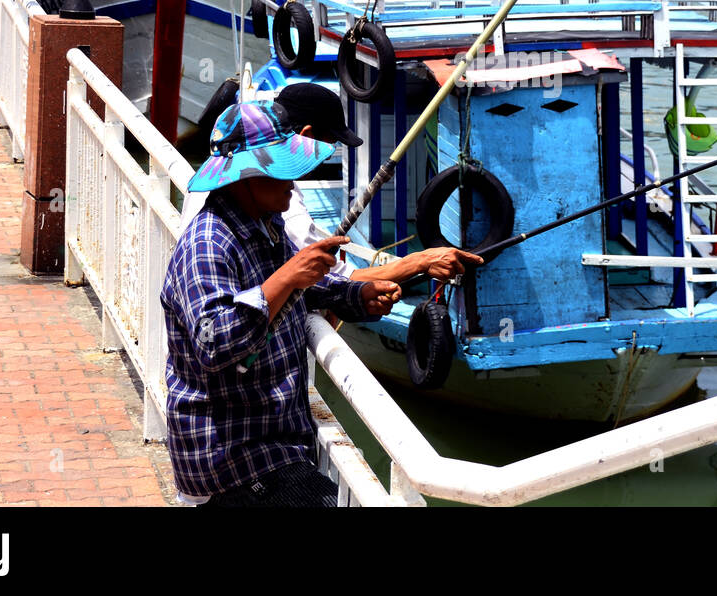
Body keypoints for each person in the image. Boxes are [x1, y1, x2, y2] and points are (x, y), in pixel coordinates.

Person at [162, 89, 480, 507]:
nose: (293, 184)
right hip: (231, 456)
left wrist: (360, 296)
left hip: (275, 443)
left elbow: (312, 287)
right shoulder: (208, 244)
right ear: (244, 177)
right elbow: (214, 344)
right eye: (280, 172)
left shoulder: (267, 226)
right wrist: (285, 278)